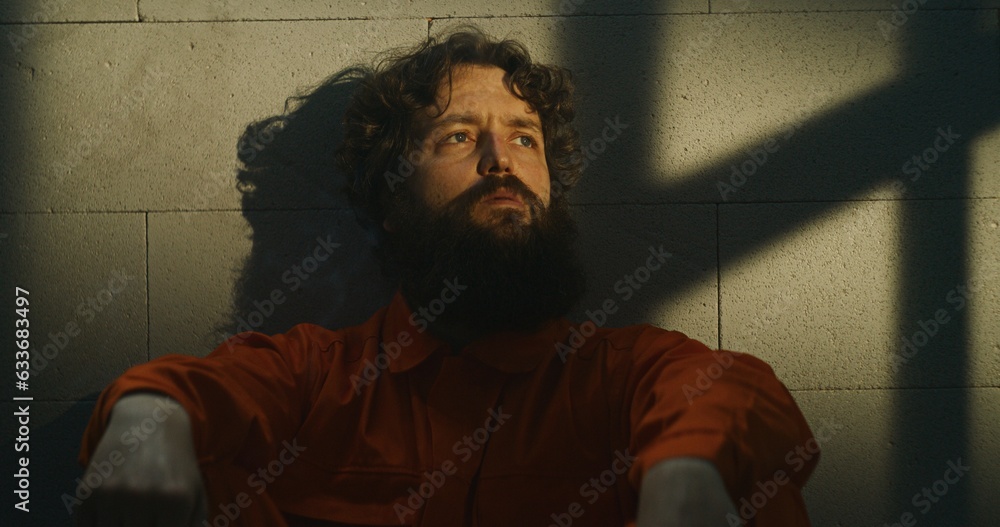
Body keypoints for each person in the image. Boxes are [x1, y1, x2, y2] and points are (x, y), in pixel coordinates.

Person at [75, 27, 818, 527]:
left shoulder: (623, 374)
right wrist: (148, 422)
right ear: (392, 200)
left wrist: (687, 470)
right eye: (460, 136)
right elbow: (193, 387)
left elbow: (733, 391)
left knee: (748, 477)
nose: (503, 160)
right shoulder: (320, 375)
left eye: (524, 138)